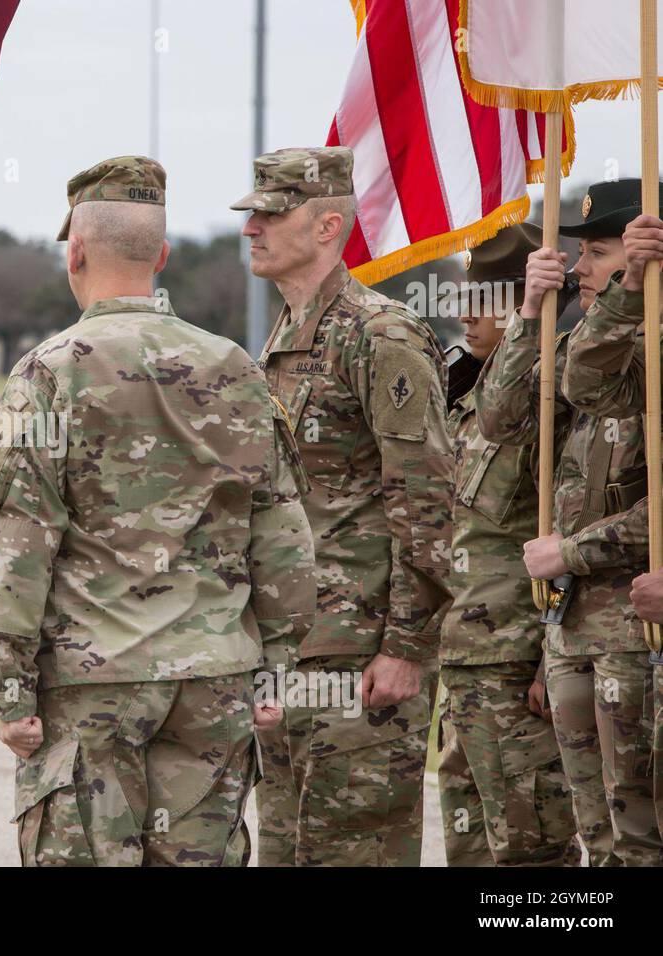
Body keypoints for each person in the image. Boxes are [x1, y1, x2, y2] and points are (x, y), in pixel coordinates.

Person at [0, 156, 316, 866]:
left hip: (92, 681)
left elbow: (17, 545)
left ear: (74, 252)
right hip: (212, 677)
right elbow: (282, 531)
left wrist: (11, 688)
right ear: (161, 255)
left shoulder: (50, 371)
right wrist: (278, 667)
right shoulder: (235, 367)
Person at [245, 146, 454, 867]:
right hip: (292, 648)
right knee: (287, 849)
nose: (252, 228)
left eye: (272, 214)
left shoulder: (379, 333)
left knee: (354, 851)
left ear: (328, 224)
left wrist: (407, 646)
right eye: (252, 214)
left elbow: (426, 498)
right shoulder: (286, 337)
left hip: (362, 650)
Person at [476, 178, 663, 865]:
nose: (579, 268)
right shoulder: (585, 338)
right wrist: (529, 314)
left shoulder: (639, 350)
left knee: (642, 837)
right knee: (601, 837)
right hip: (571, 624)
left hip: (636, 626)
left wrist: (574, 553)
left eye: (600, 252)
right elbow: (500, 419)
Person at [436, 223, 579, 866]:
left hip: (519, 651)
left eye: (487, 300)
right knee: (471, 845)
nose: (467, 312)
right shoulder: (463, 382)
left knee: (533, 851)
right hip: (465, 653)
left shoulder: (561, 386)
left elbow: (576, 518)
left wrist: (558, 652)